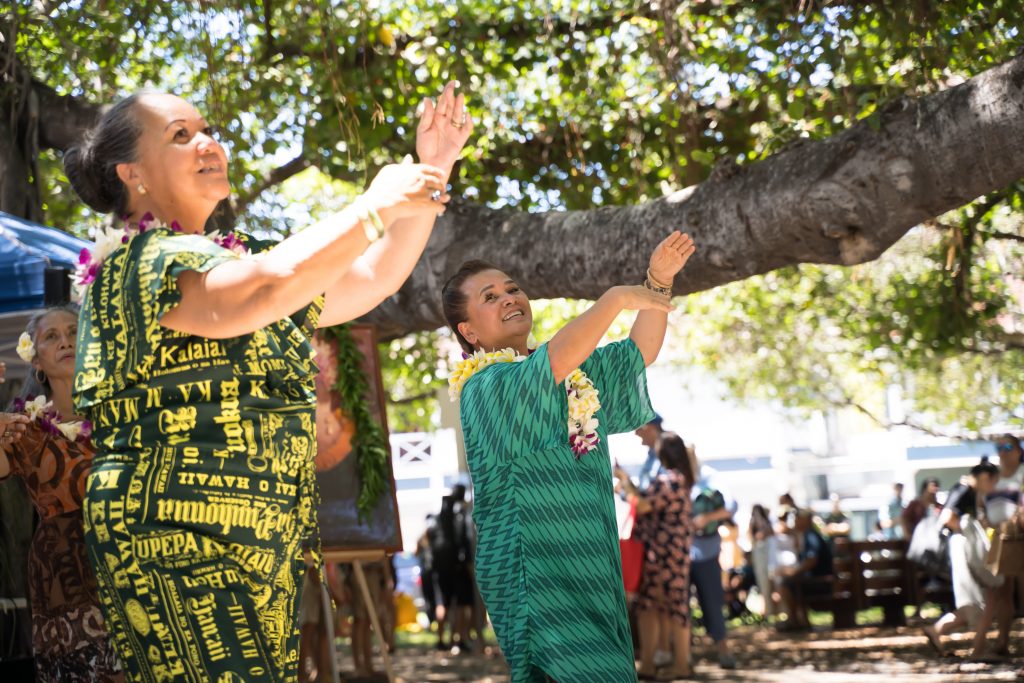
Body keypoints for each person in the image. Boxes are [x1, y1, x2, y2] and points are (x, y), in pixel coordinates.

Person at [66, 85, 472, 682]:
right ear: (132, 173)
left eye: (207, 129)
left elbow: (374, 275)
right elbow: (263, 289)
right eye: (181, 135)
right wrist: (371, 207)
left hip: (266, 541)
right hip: (180, 539)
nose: (208, 143)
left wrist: (432, 170)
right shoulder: (136, 263)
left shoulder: (238, 253)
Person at [443, 231, 695, 682]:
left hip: (592, 561)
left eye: (512, 288)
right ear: (469, 332)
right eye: (490, 296)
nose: (509, 297)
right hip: (535, 571)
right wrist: (617, 297)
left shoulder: (568, 371)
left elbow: (638, 354)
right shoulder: (483, 388)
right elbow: (555, 362)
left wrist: (658, 281)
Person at [0, 307, 122, 681]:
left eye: (73, 331)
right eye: (51, 336)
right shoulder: (23, 426)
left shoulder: (126, 413)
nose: (65, 340)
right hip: (64, 581)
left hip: (129, 567)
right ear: (35, 359)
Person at [614, 432, 695, 680]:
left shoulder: (669, 480)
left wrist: (625, 484)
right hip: (669, 552)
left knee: (668, 606)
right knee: (656, 606)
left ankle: (677, 664)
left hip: (663, 553)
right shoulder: (680, 480)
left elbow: (644, 504)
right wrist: (627, 483)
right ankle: (653, 663)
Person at [923, 459, 1003, 656]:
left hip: (964, 548)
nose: (993, 487)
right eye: (993, 482)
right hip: (965, 549)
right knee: (988, 593)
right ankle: (978, 648)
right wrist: (968, 531)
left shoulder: (970, 492)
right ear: (985, 477)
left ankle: (937, 630)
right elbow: (948, 517)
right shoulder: (964, 489)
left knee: (978, 600)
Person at [972, 435, 1023, 658]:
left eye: (1008, 447)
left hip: (1021, 535)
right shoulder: (993, 478)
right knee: (1003, 590)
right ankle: (1002, 641)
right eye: (999, 447)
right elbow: (982, 505)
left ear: (1019, 451)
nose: (1003, 451)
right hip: (1001, 539)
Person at [688, 452, 738, 669]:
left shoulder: (709, 477)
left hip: (706, 550)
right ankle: (684, 655)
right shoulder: (673, 477)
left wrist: (705, 518)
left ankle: (724, 650)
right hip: (680, 551)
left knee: (712, 602)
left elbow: (731, 505)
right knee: (679, 606)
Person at [431, 483, 476, 652]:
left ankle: (441, 639)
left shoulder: (440, 515)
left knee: (442, 603)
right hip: (457, 565)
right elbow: (463, 540)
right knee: (461, 604)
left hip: (440, 566)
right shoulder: (460, 513)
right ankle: (457, 638)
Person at [775, 508, 834, 631]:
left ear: (806, 520)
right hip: (819, 579)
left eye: (797, 518)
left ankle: (794, 620)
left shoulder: (811, 536)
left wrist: (794, 572)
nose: (795, 521)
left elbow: (811, 561)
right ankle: (799, 620)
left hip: (821, 581)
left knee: (787, 583)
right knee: (790, 582)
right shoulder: (807, 535)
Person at [748, 504, 776, 617]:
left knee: (772, 582)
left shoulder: (768, 524)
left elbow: (770, 533)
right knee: (763, 583)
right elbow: (752, 537)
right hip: (759, 557)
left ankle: (775, 609)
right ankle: (768, 610)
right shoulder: (752, 525)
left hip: (769, 557)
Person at [634, 413, 665, 489]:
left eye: (639, 427)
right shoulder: (652, 455)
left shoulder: (670, 450)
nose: (636, 433)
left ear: (650, 427)